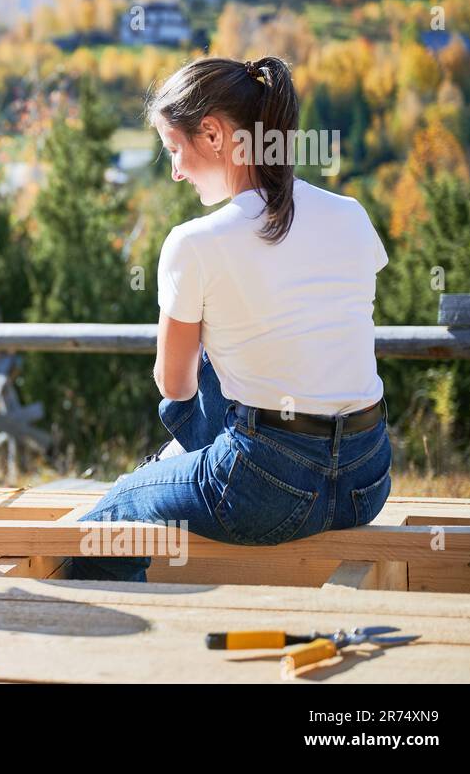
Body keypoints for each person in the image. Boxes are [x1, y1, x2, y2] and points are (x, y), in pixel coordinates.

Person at [68, 56, 392, 582]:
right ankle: (178, 464)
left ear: (214, 134)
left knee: (105, 521)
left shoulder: (194, 243)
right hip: (367, 479)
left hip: (265, 490)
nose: (174, 170)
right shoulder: (350, 214)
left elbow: (174, 386)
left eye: (174, 149)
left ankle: (114, 652)